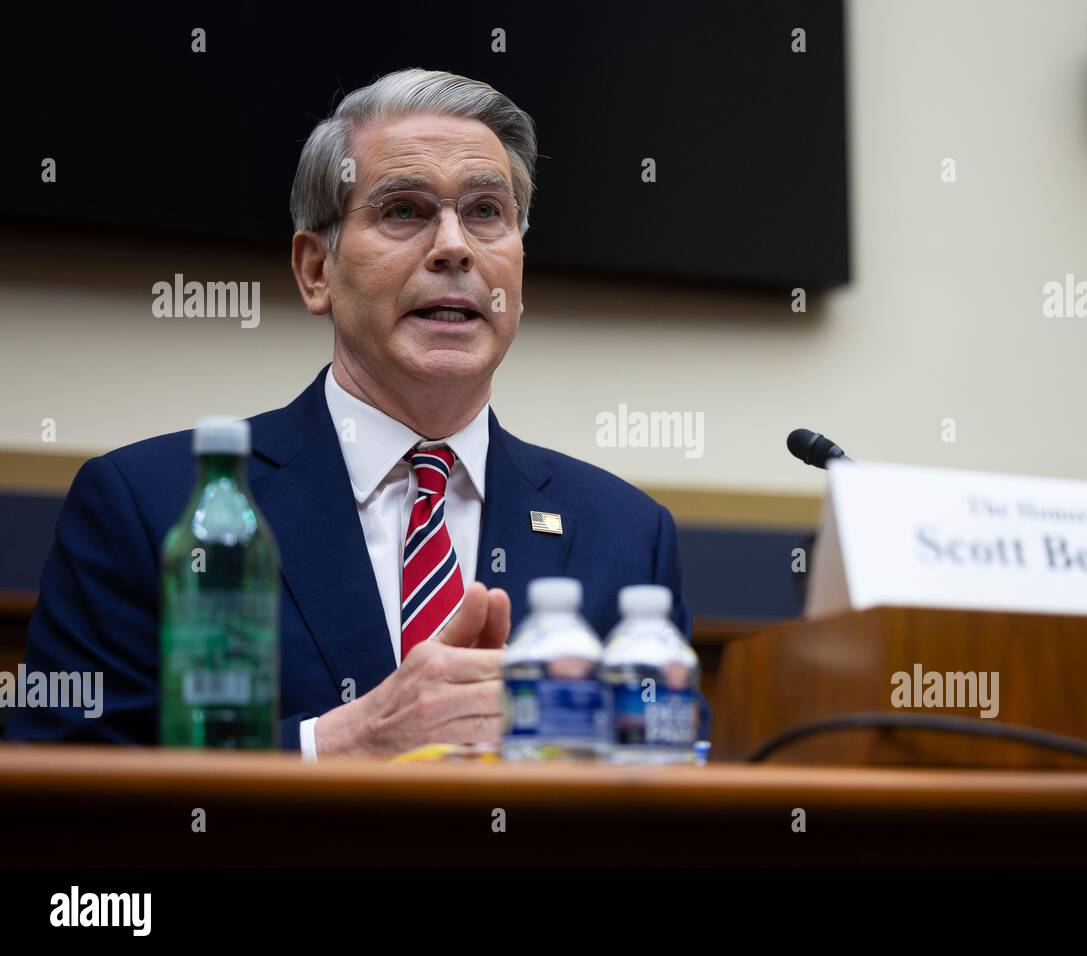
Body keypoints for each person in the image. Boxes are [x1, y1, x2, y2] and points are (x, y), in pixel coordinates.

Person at [6, 68, 695, 757]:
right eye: (404, 211)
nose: (455, 247)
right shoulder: (148, 505)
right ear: (316, 272)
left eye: (486, 212)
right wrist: (345, 743)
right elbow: (62, 792)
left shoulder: (630, 536)